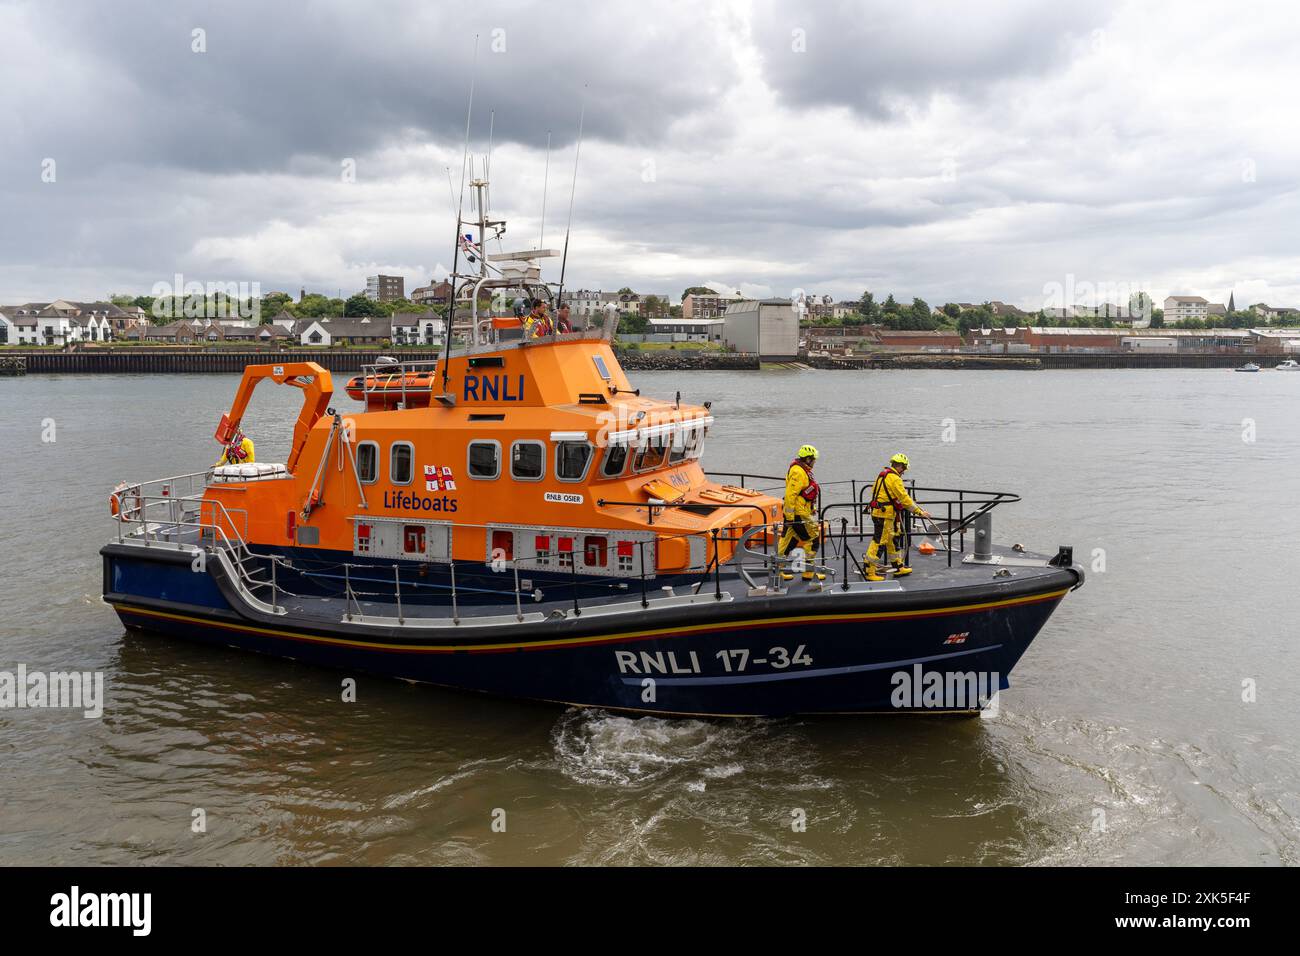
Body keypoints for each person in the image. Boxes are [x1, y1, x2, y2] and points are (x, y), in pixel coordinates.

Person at [863, 452, 929, 581]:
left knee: (892, 539)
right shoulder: (895, 478)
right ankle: (869, 570)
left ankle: (897, 566)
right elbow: (904, 498)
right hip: (884, 515)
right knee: (879, 542)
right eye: (904, 469)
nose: (904, 472)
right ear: (900, 466)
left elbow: (875, 492)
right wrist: (919, 511)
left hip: (883, 513)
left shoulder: (882, 475)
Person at [777, 444, 825, 582]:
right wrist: (790, 516)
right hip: (797, 513)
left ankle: (777, 571)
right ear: (808, 459)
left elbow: (804, 494)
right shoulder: (798, 472)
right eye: (813, 459)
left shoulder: (803, 470)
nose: (815, 462)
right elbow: (791, 495)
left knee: (788, 541)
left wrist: (811, 508)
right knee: (813, 538)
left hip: (800, 511)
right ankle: (809, 572)